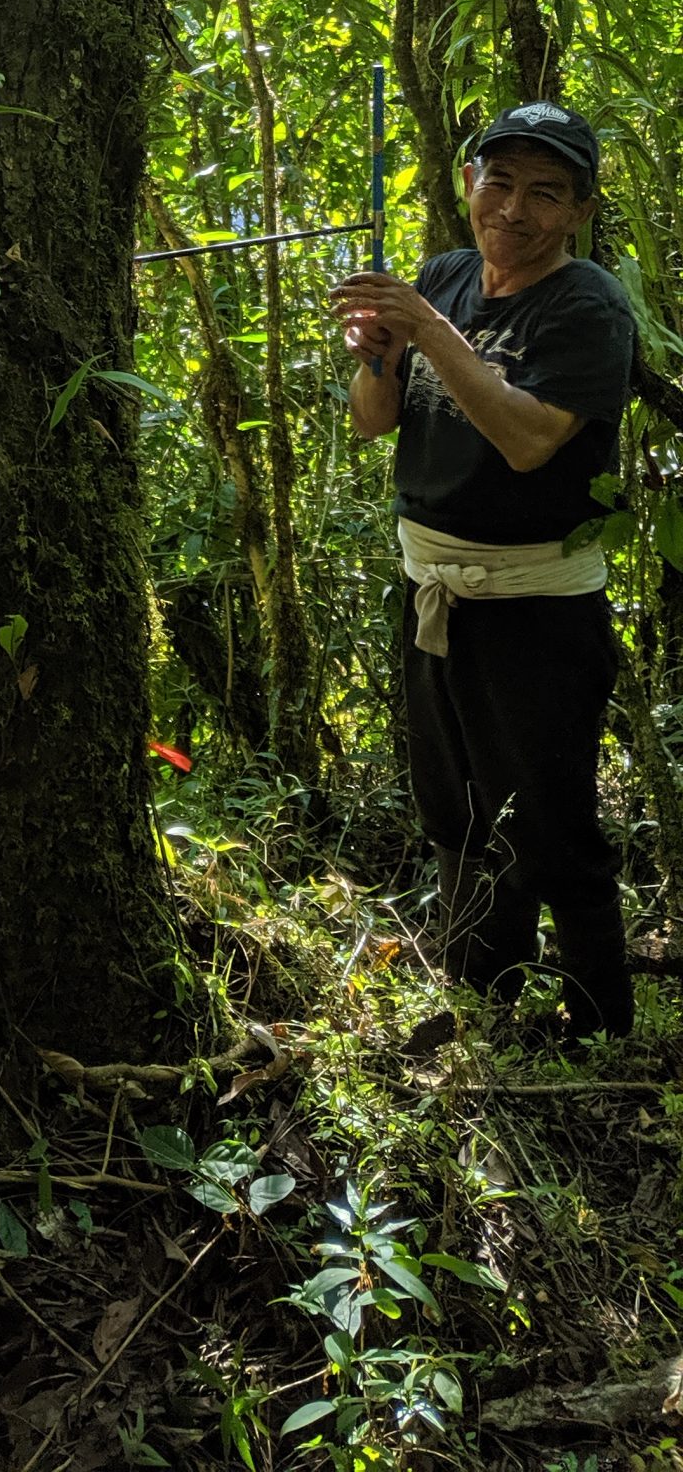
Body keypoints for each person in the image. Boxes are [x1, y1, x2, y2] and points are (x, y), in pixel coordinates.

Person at [332, 101, 636, 1040]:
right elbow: (373, 423)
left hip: (534, 608)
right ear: (469, 183)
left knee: (550, 818)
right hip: (434, 592)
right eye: (498, 182)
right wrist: (382, 355)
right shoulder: (447, 277)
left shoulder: (587, 306)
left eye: (545, 193)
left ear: (580, 212)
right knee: (455, 807)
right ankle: (481, 998)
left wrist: (426, 329)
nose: (513, 208)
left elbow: (529, 441)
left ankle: (599, 1026)